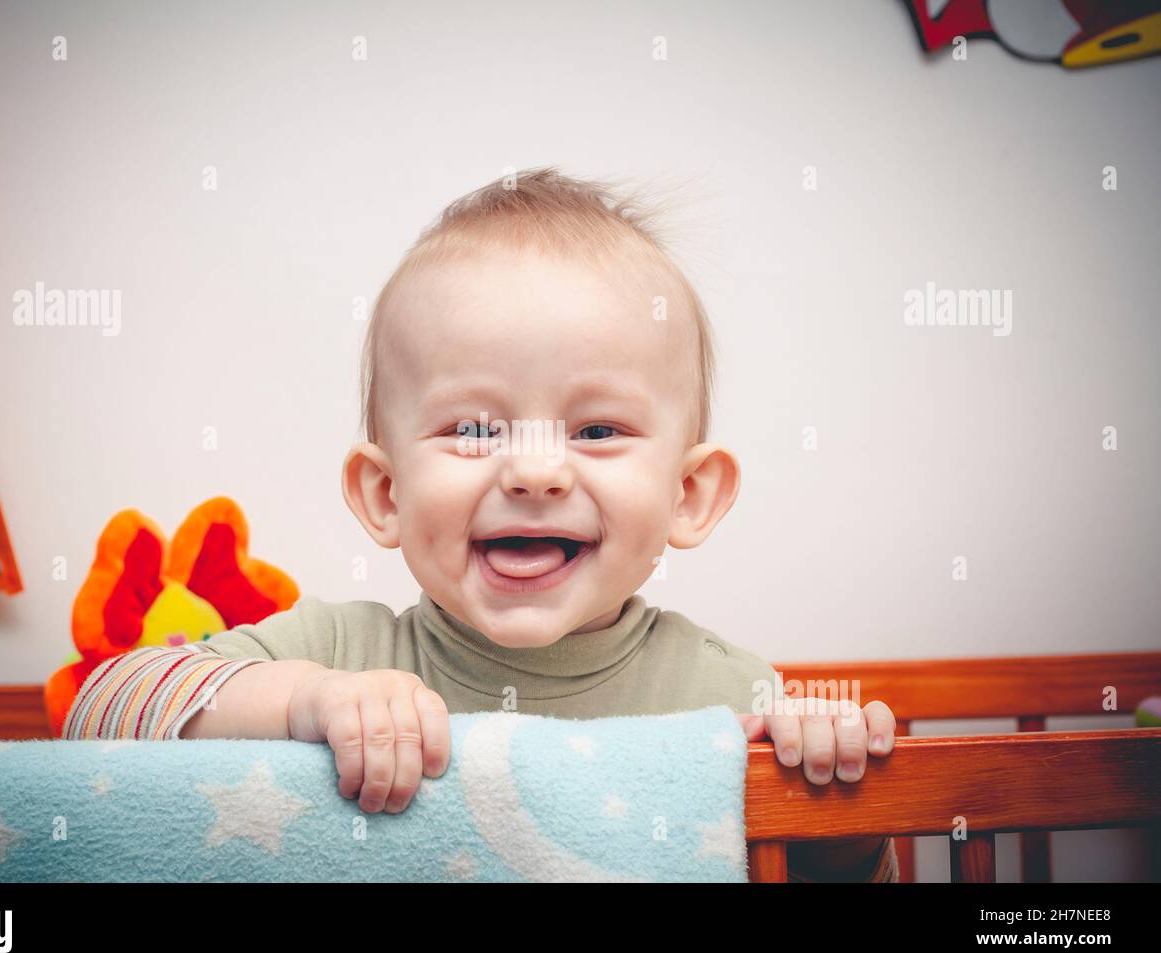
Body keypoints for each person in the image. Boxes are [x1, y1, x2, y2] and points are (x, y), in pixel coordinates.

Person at [64, 167, 899, 882]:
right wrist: (308, 701)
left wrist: (836, 779)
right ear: (385, 492)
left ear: (688, 494)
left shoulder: (729, 696)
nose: (534, 470)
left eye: (597, 430)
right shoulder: (342, 655)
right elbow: (101, 708)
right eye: (473, 430)